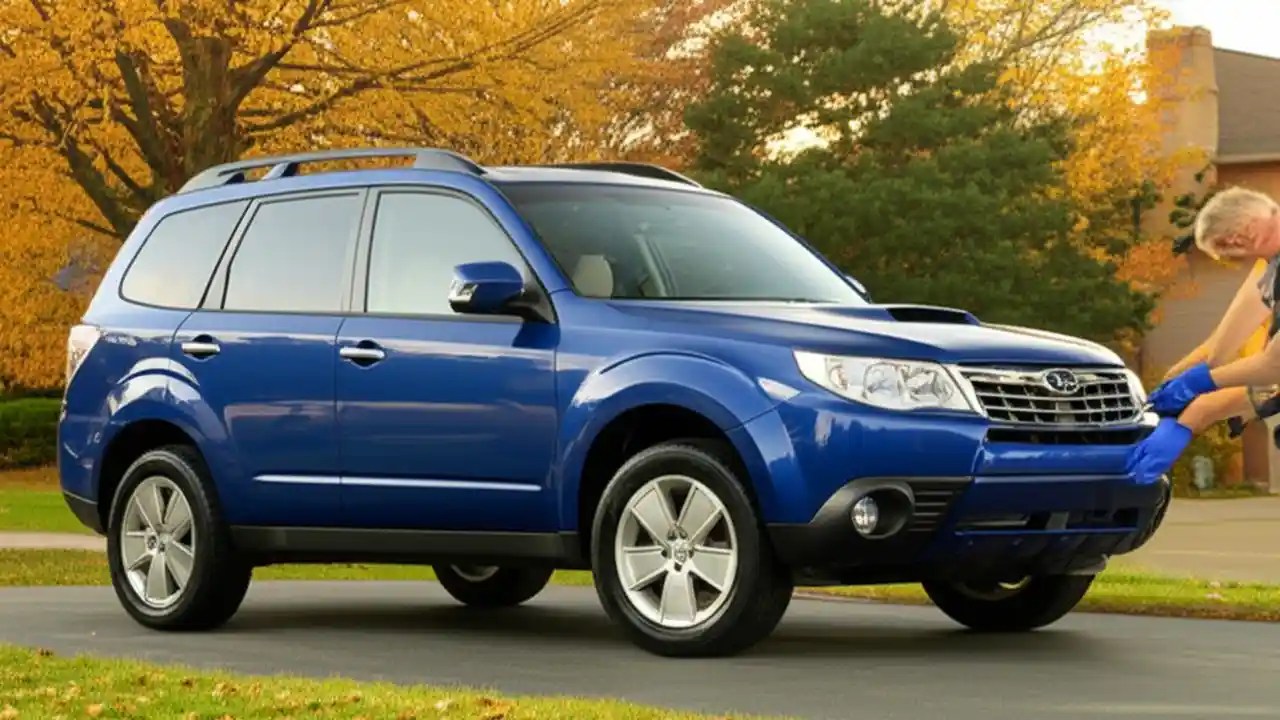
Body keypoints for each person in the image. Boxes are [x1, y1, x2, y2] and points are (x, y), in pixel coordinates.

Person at [1128, 186, 1280, 484]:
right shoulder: (1272, 268)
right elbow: (1218, 351)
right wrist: (1167, 391)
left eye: (1227, 247)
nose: (1234, 254)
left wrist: (1196, 388)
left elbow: (1273, 366)